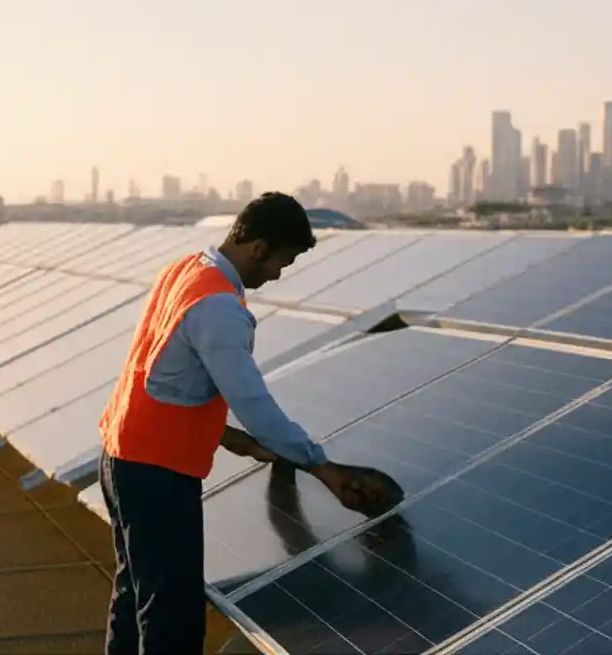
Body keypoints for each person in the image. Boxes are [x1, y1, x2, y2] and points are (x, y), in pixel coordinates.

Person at [96, 192, 394, 655]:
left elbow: (166, 378)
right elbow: (253, 402)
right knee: (171, 615)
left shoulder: (184, 271)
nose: (276, 275)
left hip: (119, 454)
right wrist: (322, 467)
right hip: (157, 471)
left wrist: (232, 439)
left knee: (134, 592)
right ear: (258, 248)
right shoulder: (219, 308)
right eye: (281, 262)